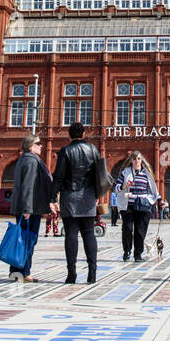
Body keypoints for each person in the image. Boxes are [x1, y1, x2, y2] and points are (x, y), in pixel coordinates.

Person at [51, 122, 102, 285]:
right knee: (89, 233)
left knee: (71, 233)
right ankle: (92, 273)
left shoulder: (65, 151)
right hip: (88, 194)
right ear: (84, 134)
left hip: (70, 195)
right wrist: (98, 193)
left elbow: (58, 176)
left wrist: (52, 197)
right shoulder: (93, 150)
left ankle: (71, 273)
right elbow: (99, 174)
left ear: (69, 135)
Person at [8, 133, 55, 282]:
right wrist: (27, 208)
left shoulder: (25, 159)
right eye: (38, 143)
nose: (41, 145)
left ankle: (15, 271)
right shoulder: (31, 161)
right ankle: (25, 272)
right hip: (30, 208)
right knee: (28, 240)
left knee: (21, 239)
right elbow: (28, 186)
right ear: (30, 146)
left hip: (28, 206)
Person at [117, 151, 159, 263]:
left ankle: (138, 254)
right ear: (131, 161)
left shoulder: (147, 173)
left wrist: (160, 201)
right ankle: (127, 251)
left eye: (139, 159)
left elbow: (153, 190)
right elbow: (116, 187)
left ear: (142, 160)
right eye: (134, 159)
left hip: (143, 205)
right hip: (128, 205)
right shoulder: (126, 172)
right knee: (127, 229)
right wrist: (124, 185)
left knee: (140, 231)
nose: (137, 161)